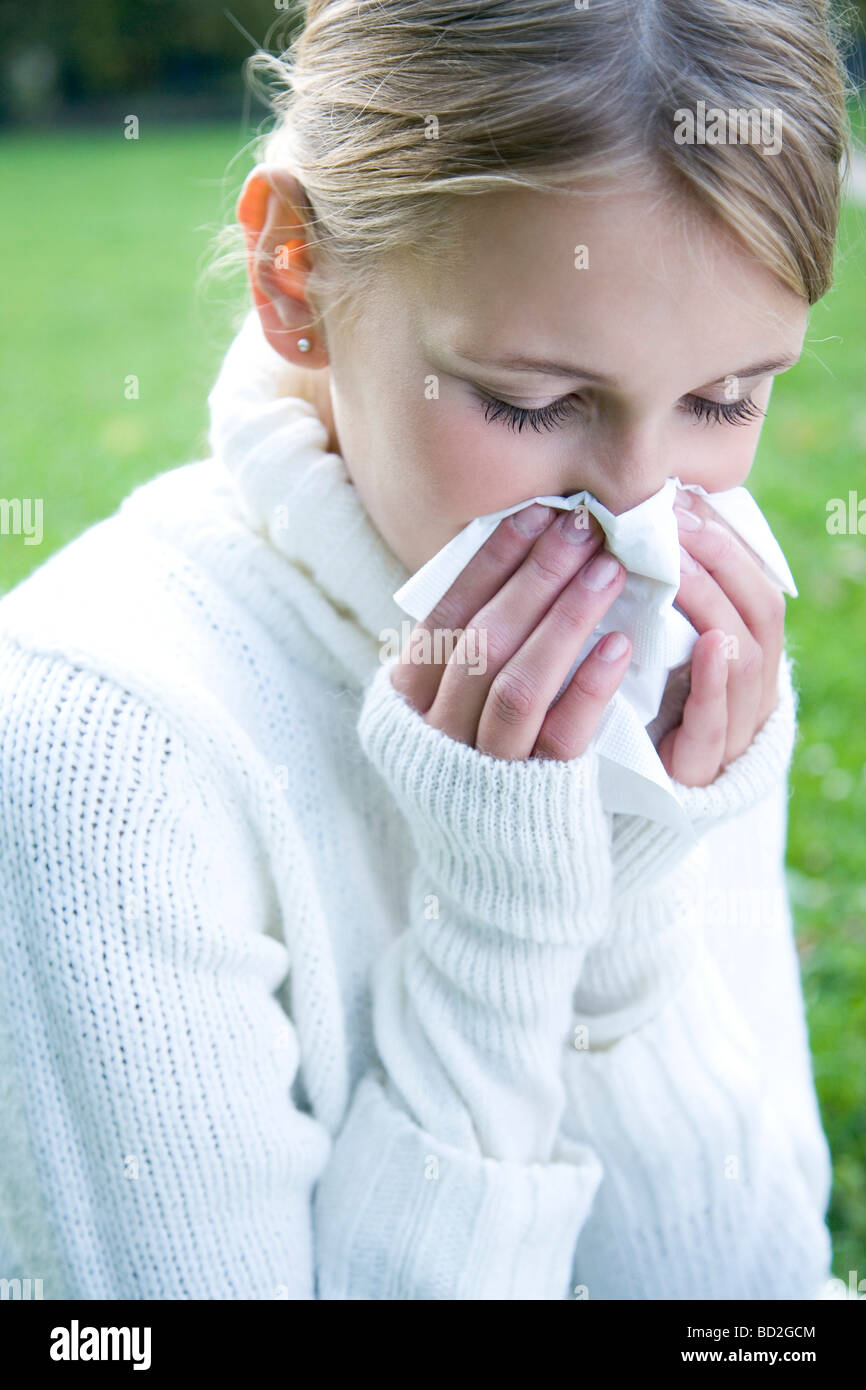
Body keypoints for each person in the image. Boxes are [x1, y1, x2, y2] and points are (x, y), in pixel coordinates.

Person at [0, 0, 853, 1299]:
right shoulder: (95, 740)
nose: (634, 518)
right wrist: (502, 947)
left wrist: (620, 933)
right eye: (528, 400)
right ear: (295, 274)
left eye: (724, 398)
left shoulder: (687, 644)